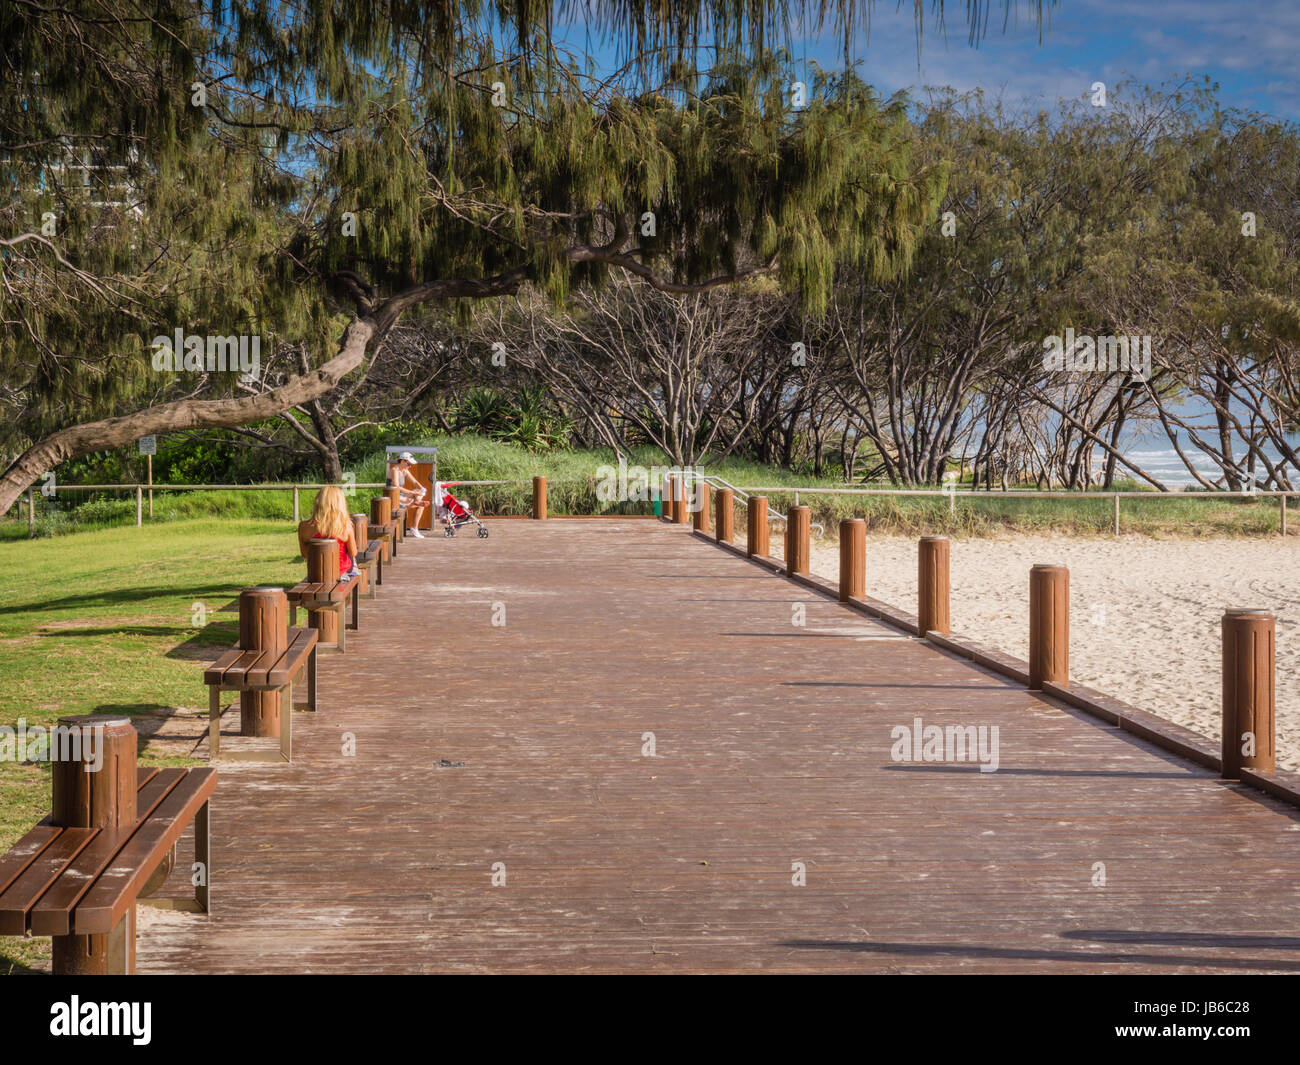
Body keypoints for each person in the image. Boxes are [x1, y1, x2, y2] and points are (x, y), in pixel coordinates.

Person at [297, 485, 360, 580]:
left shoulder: (303, 526)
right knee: (351, 560)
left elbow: (305, 554)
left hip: (316, 574)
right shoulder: (345, 526)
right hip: (341, 572)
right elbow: (353, 552)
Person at [391, 451, 428, 538]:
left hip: (401, 496)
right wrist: (413, 493)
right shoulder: (394, 470)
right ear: (402, 461)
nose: (410, 466)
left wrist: (422, 489)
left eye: (411, 464)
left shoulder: (404, 471)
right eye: (409, 464)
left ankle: (414, 528)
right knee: (419, 502)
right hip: (393, 497)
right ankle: (416, 503)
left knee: (419, 495)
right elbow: (397, 488)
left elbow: (414, 482)